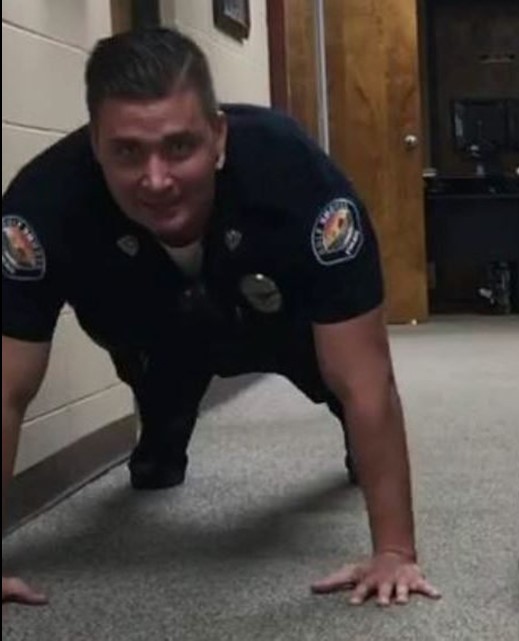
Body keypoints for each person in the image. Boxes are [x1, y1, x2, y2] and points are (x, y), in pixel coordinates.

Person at [2, 27, 440, 607]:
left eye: (180, 147)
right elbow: (5, 388)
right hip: (151, 331)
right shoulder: (42, 204)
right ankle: (162, 430)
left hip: (281, 323)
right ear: (95, 147)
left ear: (219, 137)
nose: (156, 180)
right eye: (128, 152)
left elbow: (366, 376)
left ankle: (354, 447)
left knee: (346, 389)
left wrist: (395, 553)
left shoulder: (296, 175)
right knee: (155, 461)